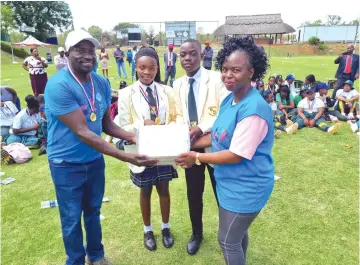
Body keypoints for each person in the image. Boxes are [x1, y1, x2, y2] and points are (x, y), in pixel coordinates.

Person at [44, 29, 157, 265]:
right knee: (72, 218)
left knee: (93, 211)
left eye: (90, 50)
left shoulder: (101, 82)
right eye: (79, 50)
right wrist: (126, 157)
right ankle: (75, 260)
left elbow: (106, 124)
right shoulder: (58, 86)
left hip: (94, 161)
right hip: (66, 164)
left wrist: (137, 138)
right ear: (66, 53)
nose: (87, 55)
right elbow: (83, 131)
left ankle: (96, 255)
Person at [175, 36, 275, 265]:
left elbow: (236, 153)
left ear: (251, 71)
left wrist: (197, 157)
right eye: (225, 69)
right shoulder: (229, 100)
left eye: (236, 70)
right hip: (230, 183)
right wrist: (186, 143)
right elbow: (219, 136)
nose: (228, 75)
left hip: (247, 186)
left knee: (228, 241)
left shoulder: (254, 108)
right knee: (237, 236)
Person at [118, 47, 177, 251]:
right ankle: (148, 230)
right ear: (136, 67)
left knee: (164, 190)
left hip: (164, 149)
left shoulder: (167, 91)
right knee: (145, 191)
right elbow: (122, 127)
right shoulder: (126, 93)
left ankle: (166, 227)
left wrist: (167, 127)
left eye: (151, 68)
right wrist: (143, 124)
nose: (146, 72)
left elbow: (175, 118)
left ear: (157, 68)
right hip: (141, 150)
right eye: (142, 67)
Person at [173, 39, 227, 255]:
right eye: (183, 55)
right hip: (190, 149)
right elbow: (177, 115)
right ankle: (197, 234)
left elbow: (224, 112)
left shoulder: (216, 79)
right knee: (193, 194)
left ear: (202, 55)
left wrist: (200, 127)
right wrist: (182, 132)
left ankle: (227, 236)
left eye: (192, 54)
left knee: (221, 194)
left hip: (215, 147)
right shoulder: (177, 84)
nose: (187, 58)